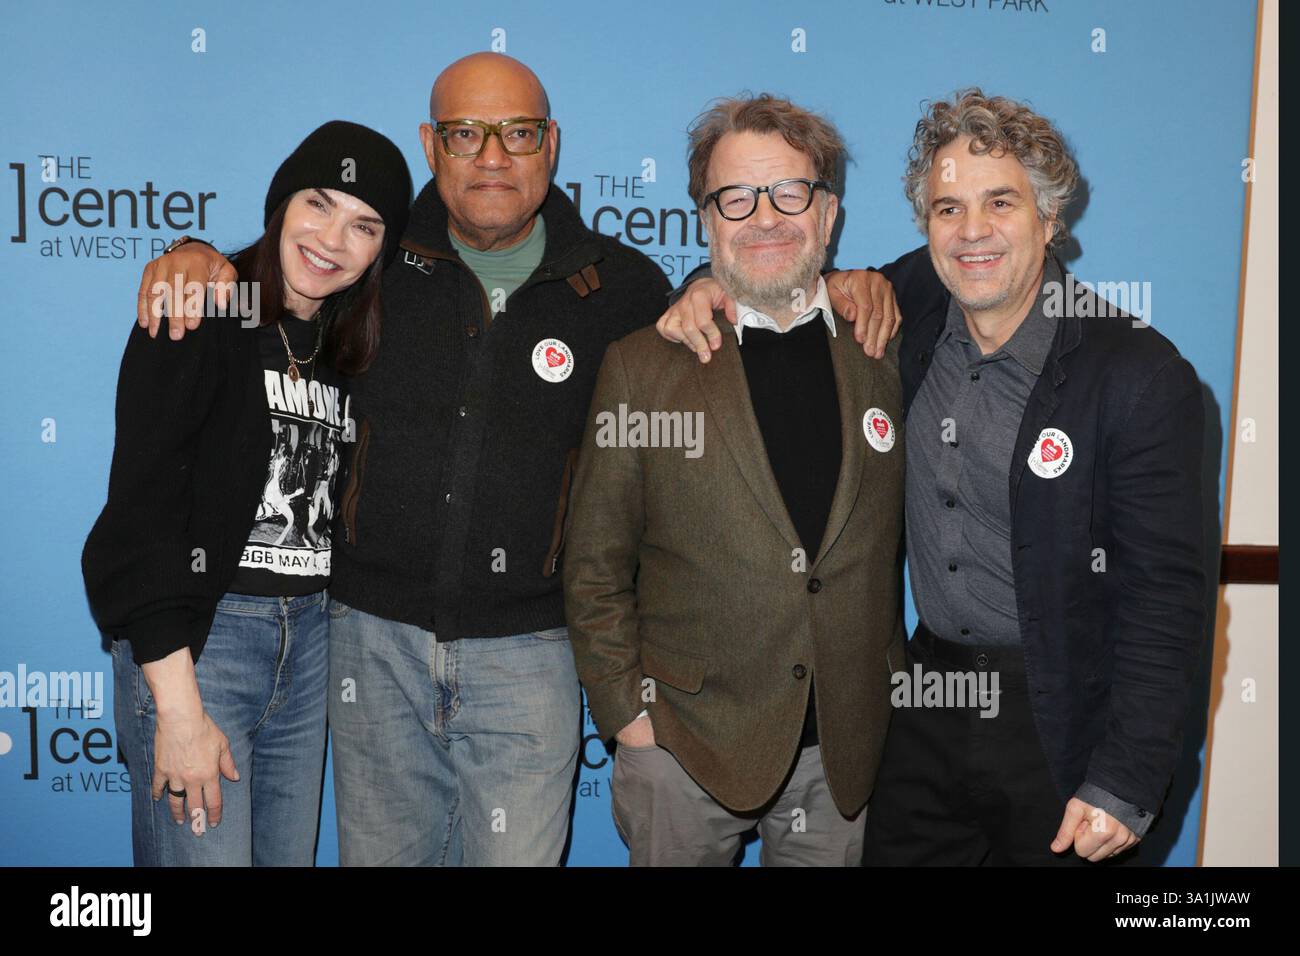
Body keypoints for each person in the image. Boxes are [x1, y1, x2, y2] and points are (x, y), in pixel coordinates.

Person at [657, 89, 1207, 864]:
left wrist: (1125, 780)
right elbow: (783, 271)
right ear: (926, 227)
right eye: (948, 208)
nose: (973, 231)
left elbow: (1168, 601)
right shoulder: (906, 309)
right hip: (925, 701)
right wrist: (709, 288)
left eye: (1001, 203)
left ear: (1050, 220)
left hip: (1063, 712)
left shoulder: (1139, 375)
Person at [563, 94, 907, 866]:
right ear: (705, 217)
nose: (766, 217)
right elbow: (594, 564)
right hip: (682, 746)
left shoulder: (884, 345)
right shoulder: (642, 365)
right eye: (736, 197)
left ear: (829, 212)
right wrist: (629, 720)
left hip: (844, 749)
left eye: (790, 192)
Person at [83, 120, 412, 866]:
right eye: (319, 204)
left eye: (364, 226)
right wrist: (177, 708)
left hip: (309, 649)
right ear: (281, 204)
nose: (332, 238)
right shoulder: (202, 310)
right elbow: (138, 519)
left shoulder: (346, 344)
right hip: (202, 647)